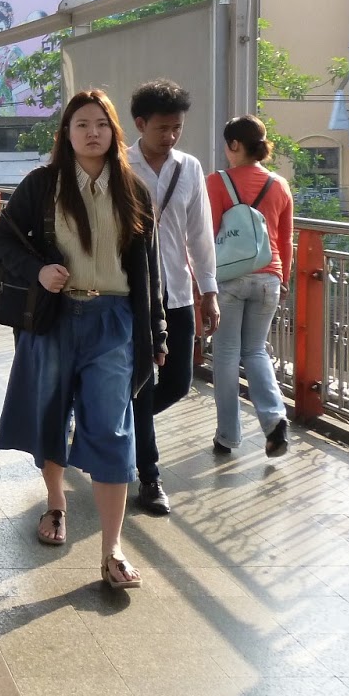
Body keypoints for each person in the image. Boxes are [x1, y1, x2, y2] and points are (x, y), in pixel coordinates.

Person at [0, 90, 165, 590]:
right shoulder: (42, 185)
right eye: (82, 124)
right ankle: (56, 503)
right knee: (51, 414)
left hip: (113, 319)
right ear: (66, 134)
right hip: (54, 316)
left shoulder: (133, 191)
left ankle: (112, 548)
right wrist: (38, 268)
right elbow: (2, 238)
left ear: (114, 133)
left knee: (112, 429)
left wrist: (157, 330)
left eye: (101, 124)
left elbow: (148, 269)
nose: (93, 132)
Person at [127, 80, 220, 514]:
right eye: (163, 127)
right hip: (133, 295)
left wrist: (209, 292)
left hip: (178, 292)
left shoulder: (190, 168)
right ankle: (150, 476)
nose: (171, 136)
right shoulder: (119, 166)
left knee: (180, 382)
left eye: (177, 127)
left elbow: (201, 234)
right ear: (141, 124)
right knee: (143, 386)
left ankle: (120, 423)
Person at [207, 114, 294, 457]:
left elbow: (208, 235)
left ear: (234, 145)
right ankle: (274, 420)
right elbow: (286, 240)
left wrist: (203, 285)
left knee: (226, 354)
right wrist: (283, 277)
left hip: (228, 278)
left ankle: (228, 436)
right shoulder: (280, 184)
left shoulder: (217, 182)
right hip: (269, 277)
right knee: (256, 350)